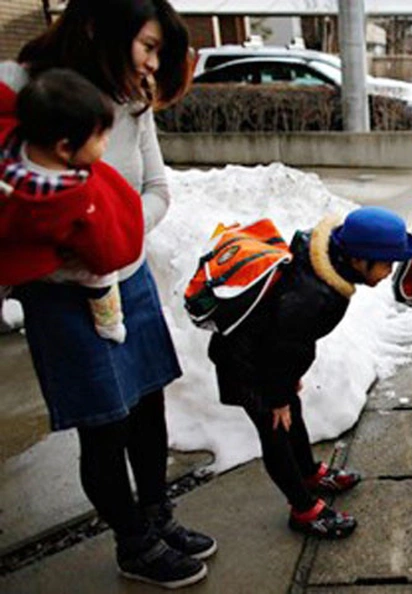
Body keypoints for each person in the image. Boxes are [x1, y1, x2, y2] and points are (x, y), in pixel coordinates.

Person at [1, 0, 215, 588]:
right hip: (59, 296)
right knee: (105, 423)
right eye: (147, 47)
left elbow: (157, 189)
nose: (151, 66)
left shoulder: (132, 103)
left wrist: (110, 238)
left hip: (128, 273)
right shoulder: (19, 88)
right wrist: (60, 248)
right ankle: (132, 542)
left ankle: (156, 515)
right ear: (98, 28)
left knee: (148, 404)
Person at [207, 207, 412, 538]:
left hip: (268, 356)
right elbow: (289, 345)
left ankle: (307, 472)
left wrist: (287, 384)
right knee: (274, 430)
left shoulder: (324, 259)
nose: (388, 272)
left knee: (293, 414)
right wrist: (277, 395)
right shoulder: (316, 295)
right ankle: (303, 509)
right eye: (385, 263)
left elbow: (288, 341)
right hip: (246, 365)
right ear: (359, 260)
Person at [0, 68, 144, 345]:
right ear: (65, 148)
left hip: (11, 253)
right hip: (46, 261)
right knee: (98, 275)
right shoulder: (74, 196)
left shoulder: (10, 149)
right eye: (101, 137)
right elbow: (104, 250)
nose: (106, 143)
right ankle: (110, 323)